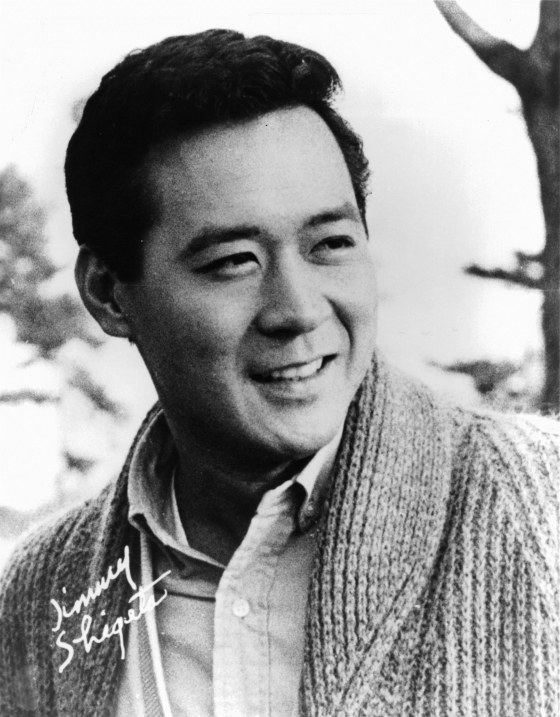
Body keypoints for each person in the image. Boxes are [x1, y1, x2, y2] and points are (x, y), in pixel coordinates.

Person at [0, 29, 558, 717]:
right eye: (233, 261)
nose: (297, 310)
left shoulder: (544, 509)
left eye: (330, 244)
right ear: (108, 294)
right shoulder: (37, 597)